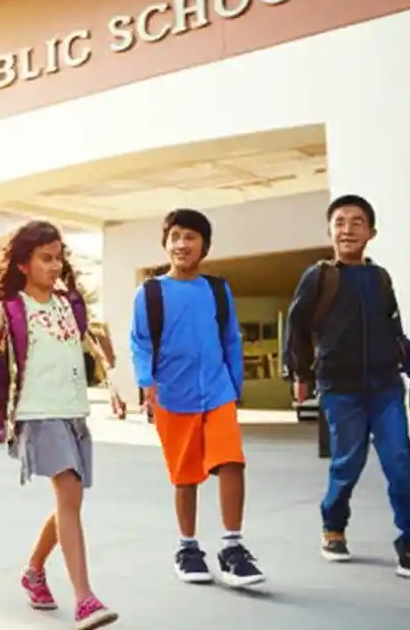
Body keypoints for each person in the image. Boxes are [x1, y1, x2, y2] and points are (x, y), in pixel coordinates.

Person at [283, 194, 410, 582]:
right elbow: (296, 326)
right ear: (330, 231)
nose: (348, 229)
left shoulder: (380, 277)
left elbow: (392, 327)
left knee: (400, 463)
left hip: (385, 386)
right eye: (340, 221)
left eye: (357, 222)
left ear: (371, 232)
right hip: (340, 387)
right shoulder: (319, 276)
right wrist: (299, 374)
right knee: (348, 464)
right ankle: (333, 524)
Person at [0, 220, 119, 630]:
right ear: (22, 264)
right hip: (38, 414)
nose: (55, 265)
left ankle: (33, 570)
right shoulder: (10, 310)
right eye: (45, 258)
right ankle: (85, 599)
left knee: (69, 503)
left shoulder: (69, 304)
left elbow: (95, 343)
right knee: (68, 492)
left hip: (73, 412)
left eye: (59, 257)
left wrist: (115, 382)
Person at [130, 209, 264, 587]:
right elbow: (139, 340)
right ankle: (188, 549)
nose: (181, 244)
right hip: (173, 395)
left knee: (232, 462)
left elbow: (230, 339)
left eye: (190, 237)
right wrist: (147, 383)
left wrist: (234, 387)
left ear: (204, 245)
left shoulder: (218, 290)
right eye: (175, 236)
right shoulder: (151, 292)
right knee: (185, 476)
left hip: (218, 391)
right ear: (166, 243)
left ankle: (233, 547)